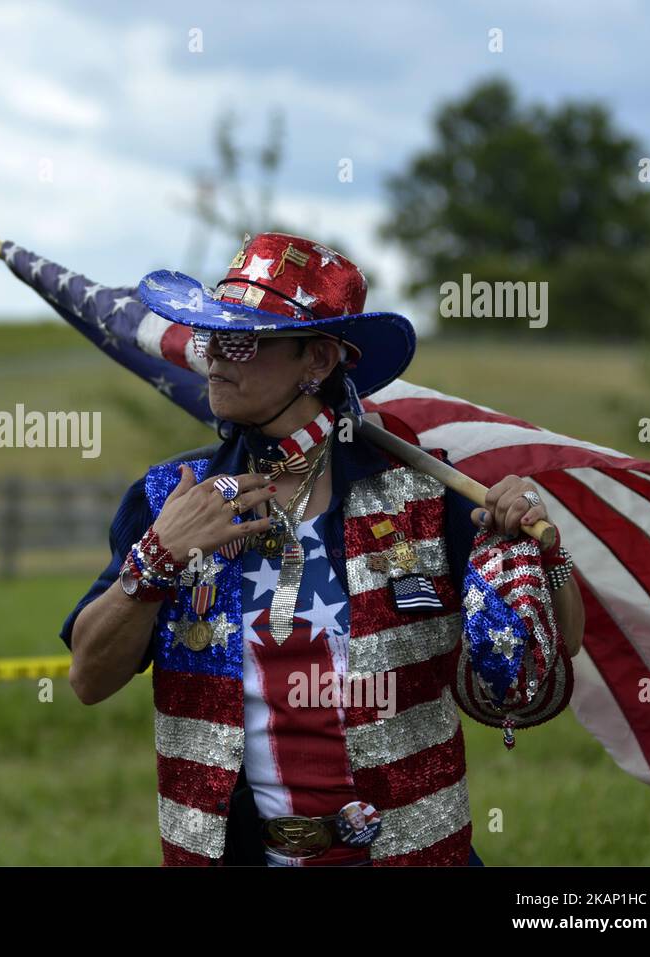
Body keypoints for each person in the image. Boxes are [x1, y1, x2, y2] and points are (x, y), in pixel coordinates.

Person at [61, 232, 583, 866]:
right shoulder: (171, 495)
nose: (213, 358)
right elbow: (89, 679)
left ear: (318, 361)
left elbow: (559, 646)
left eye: (242, 339)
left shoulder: (423, 492)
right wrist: (158, 558)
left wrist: (537, 548)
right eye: (208, 337)